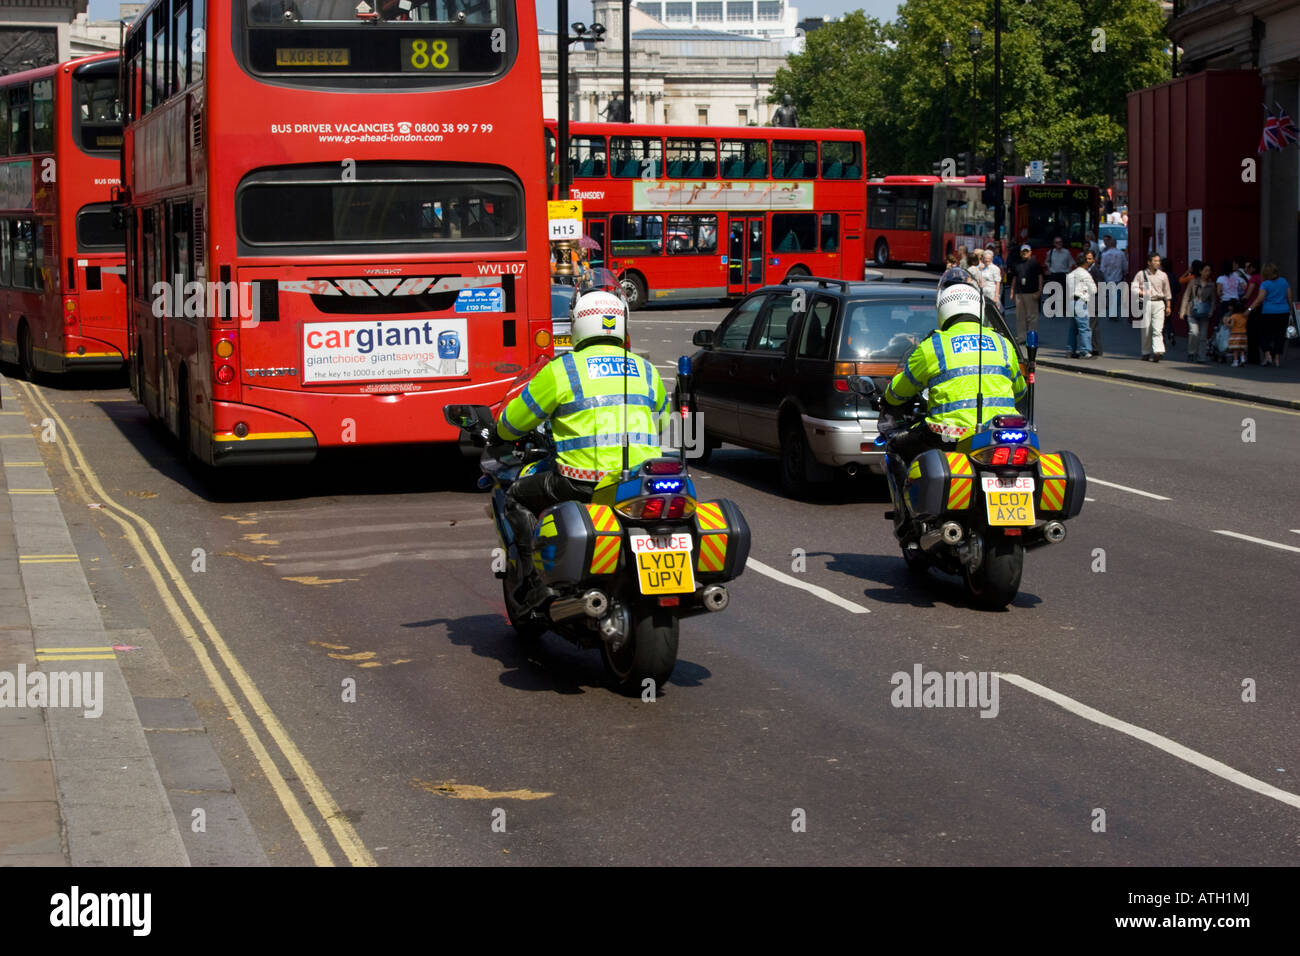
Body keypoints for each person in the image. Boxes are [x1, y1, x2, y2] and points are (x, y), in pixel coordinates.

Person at [496, 290, 670, 605]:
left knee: (516, 497)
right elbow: (662, 423)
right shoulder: (646, 370)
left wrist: (502, 430)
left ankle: (532, 581)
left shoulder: (563, 370)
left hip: (582, 482)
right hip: (639, 484)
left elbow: (511, 425)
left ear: (578, 325)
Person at [879, 277, 1027, 499]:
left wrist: (887, 398)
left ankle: (911, 513)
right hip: (1000, 434)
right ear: (980, 309)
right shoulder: (1002, 343)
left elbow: (900, 391)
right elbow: (1020, 390)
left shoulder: (934, 346)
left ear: (943, 310)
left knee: (896, 447)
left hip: (950, 434)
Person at [1247, 263, 1294, 367]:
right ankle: (1277, 358)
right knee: (1280, 335)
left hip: (1268, 312)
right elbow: (1289, 297)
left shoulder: (1265, 284)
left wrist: (1249, 309)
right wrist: (1290, 309)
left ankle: (1267, 355)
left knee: (1264, 335)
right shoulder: (1284, 281)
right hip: (1283, 311)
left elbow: (1260, 299)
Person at [1135, 251, 1172, 362]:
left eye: (1158, 261)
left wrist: (1168, 305)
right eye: (1155, 261)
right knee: (1146, 329)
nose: (1158, 263)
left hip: (1159, 302)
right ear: (1149, 262)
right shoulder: (1141, 274)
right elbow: (1134, 287)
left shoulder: (1163, 275)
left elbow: (1167, 291)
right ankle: (1146, 352)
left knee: (1158, 328)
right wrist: (1142, 292)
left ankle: (1158, 351)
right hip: (1146, 302)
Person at [1179, 262, 1217, 362]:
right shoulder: (1193, 282)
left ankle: (1201, 356)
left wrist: (1212, 310)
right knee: (1194, 332)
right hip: (1192, 310)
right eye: (1206, 271)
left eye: (1209, 271)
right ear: (1200, 271)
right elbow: (1186, 296)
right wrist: (1182, 311)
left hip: (1205, 312)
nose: (1208, 273)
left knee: (1203, 336)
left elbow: (1213, 299)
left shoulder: (1211, 285)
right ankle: (1191, 352)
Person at [1066, 253, 1096, 358]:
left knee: (1073, 328)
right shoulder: (1085, 274)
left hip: (1071, 301)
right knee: (1084, 327)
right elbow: (1094, 290)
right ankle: (1085, 350)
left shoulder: (1071, 274)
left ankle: (1070, 350)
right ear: (1085, 263)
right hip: (1080, 301)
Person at [1010, 243, 1042, 342]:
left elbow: (1040, 277)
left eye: (1026, 252)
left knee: (1031, 317)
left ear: (1030, 252)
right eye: (1023, 252)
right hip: (1019, 292)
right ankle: (1022, 337)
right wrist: (1012, 291)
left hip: (1031, 292)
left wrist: (1039, 290)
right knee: (1020, 316)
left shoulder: (1034, 263)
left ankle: (1031, 337)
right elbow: (1014, 277)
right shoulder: (1017, 264)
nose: (1025, 253)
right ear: (1020, 253)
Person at [1099, 234, 1126, 323]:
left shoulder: (1105, 254)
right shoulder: (1121, 254)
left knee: (1110, 295)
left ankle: (1111, 312)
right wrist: (1125, 272)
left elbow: (1102, 268)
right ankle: (1114, 312)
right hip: (1118, 277)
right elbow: (1124, 266)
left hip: (1108, 278)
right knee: (1117, 295)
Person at [1084, 249, 1105, 356]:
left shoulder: (1096, 271)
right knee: (1092, 325)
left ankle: (1094, 348)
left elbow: (1101, 286)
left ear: (1094, 260)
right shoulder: (1086, 270)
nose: (1088, 261)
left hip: (1094, 302)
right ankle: (1096, 348)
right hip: (1089, 301)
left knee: (1091, 326)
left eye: (1090, 259)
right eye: (1086, 258)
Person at [1044, 235, 1073, 311]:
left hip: (1064, 274)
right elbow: (1046, 261)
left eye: (1060, 242)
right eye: (1057, 242)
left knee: (1064, 293)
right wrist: (1049, 269)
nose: (1059, 244)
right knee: (1053, 292)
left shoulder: (1066, 252)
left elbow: (1071, 263)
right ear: (1054, 244)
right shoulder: (1050, 253)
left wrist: (1069, 272)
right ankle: (1052, 309)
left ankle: (1063, 309)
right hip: (1054, 274)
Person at [1227, 302, 1249, 367]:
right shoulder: (1245, 316)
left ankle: (1235, 361)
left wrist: (1226, 323)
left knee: (1235, 349)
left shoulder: (1234, 316)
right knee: (1242, 348)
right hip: (1243, 334)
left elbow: (1232, 325)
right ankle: (1242, 359)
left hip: (1235, 334)